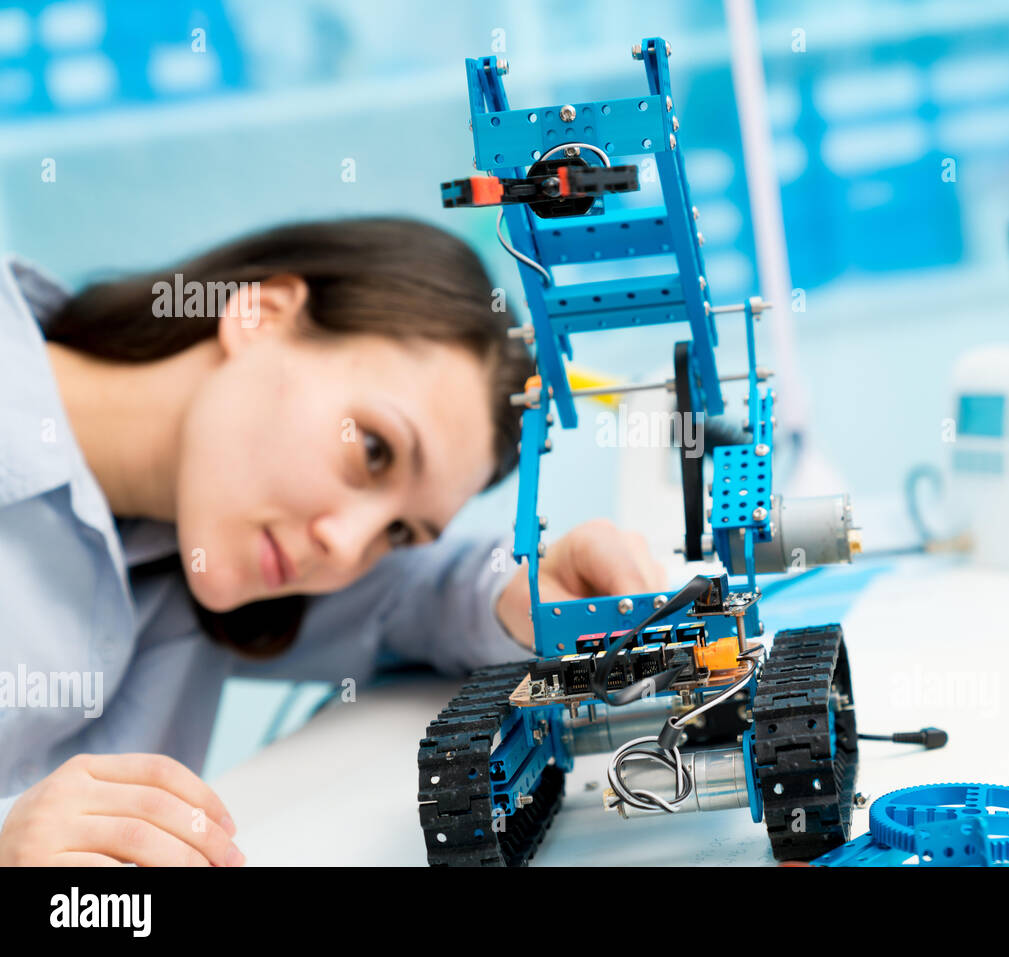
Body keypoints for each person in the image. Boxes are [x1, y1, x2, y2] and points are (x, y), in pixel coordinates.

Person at [0, 217, 665, 865]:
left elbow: (415, 594)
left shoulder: (200, 542)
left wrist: (531, 588)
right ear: (260, 316)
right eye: (372, 451)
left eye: (397, 531)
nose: (345, 548)